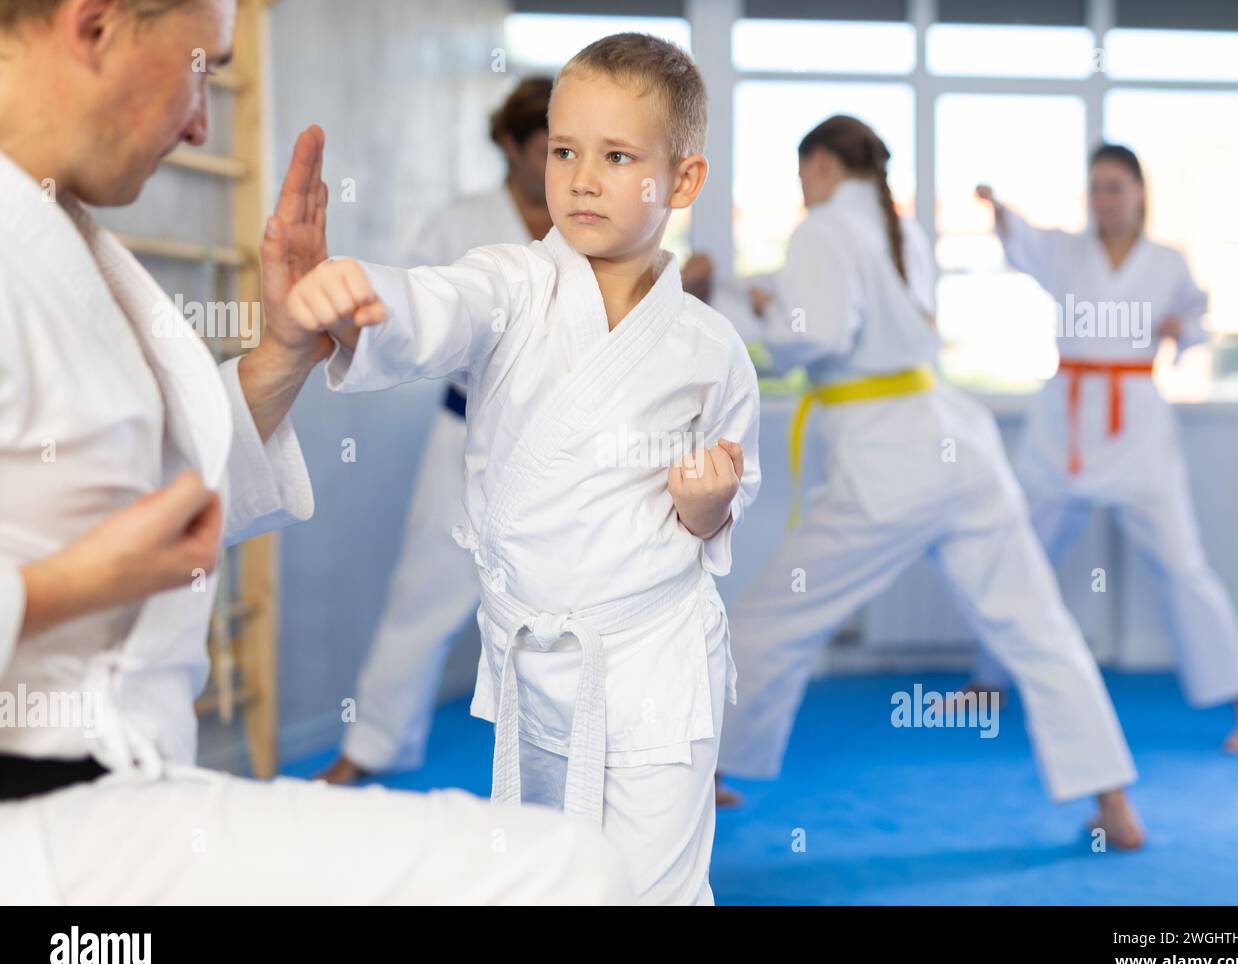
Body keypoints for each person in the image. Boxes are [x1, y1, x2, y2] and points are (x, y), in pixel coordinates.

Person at [0, 0, 631, 905]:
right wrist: (80, 584)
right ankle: (371, 740)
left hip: (122, 799)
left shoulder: (59, 231)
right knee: (566, 874)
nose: (198, 120)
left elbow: (155, 490)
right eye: (200, 67)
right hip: (44, 828)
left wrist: (281, 354)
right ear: (94, 28)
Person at [285, 33, 762, 903]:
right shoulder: (511, 281)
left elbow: (717, 515)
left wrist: (709, 500)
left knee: (658, 885)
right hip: (538, 659)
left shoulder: (709, 346)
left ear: (682, 182)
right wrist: (360, 300)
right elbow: (441, 303)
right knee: (558, 876)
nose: (581, 177)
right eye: (566, 150)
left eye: (617, 157)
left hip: (655, 658)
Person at [708, 116, 1144, 848]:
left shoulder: (822, 229)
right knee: (1040, 631)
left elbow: (813, 333)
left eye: (800, 172)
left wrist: (753, 315)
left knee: (767, 621)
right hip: (958, 444)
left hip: (890, 463)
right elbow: (835, 307)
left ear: (818, 165)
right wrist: (756, 297)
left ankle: (704, 773)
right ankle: (1116, 806)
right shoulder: (893, 225)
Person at [966, 145, 1238, 753]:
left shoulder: (1167, 261)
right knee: (1021, 549)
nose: (1105, 200)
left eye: (1116, 187)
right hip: (1066, 424)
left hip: (1136, 427)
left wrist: (1179, 331)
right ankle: (987, 683)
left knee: (1183, 565)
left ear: (1139, 192)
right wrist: (998, 209)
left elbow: (1197, 317)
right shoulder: (1065, 251)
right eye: (1097, 188)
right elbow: (1020, 237)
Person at [321, 77, 554, 786]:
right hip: (471, 435)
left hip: (571, 449)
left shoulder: (589, 222)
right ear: (512, 145)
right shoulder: (463, 222)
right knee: (423, 594)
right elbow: (418, 317)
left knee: (595, 608)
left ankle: (655, 767)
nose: (564, 167)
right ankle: (370, 747)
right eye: (551, 148)